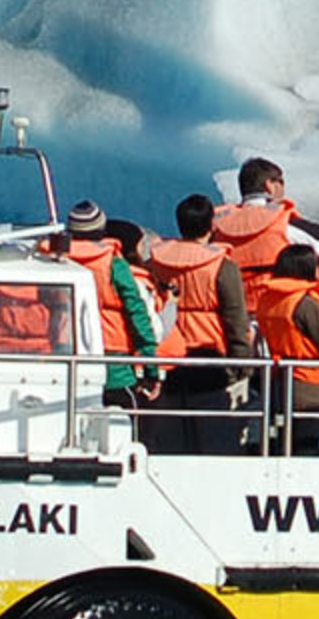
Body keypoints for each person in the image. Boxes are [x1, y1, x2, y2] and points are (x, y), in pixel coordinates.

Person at [141, 194, 255, 454]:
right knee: (212, 441)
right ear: (211, 226)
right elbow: (235, 318)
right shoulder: (222, 266)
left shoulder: (156, 262)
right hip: (210, 361)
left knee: (169, 441)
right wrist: (242, 364)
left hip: (166, 358)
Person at [247, 242, 319, 454]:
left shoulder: (269, 300)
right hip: (310, 386)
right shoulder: (304, 304)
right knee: (306, 448)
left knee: (283, 446)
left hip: (280, 382)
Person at [54, 201, 167, 405]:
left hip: (64, 365)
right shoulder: (115, 266)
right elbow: (138, 315)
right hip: (116, 370)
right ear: (101, 232)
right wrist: (151, 370)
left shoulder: (53, 263)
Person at [212, 159, 319, 285]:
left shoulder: (217, 229)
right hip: (280, 315)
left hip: (233, 319)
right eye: (281, 182)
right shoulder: (284, 224)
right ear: (270, 186)